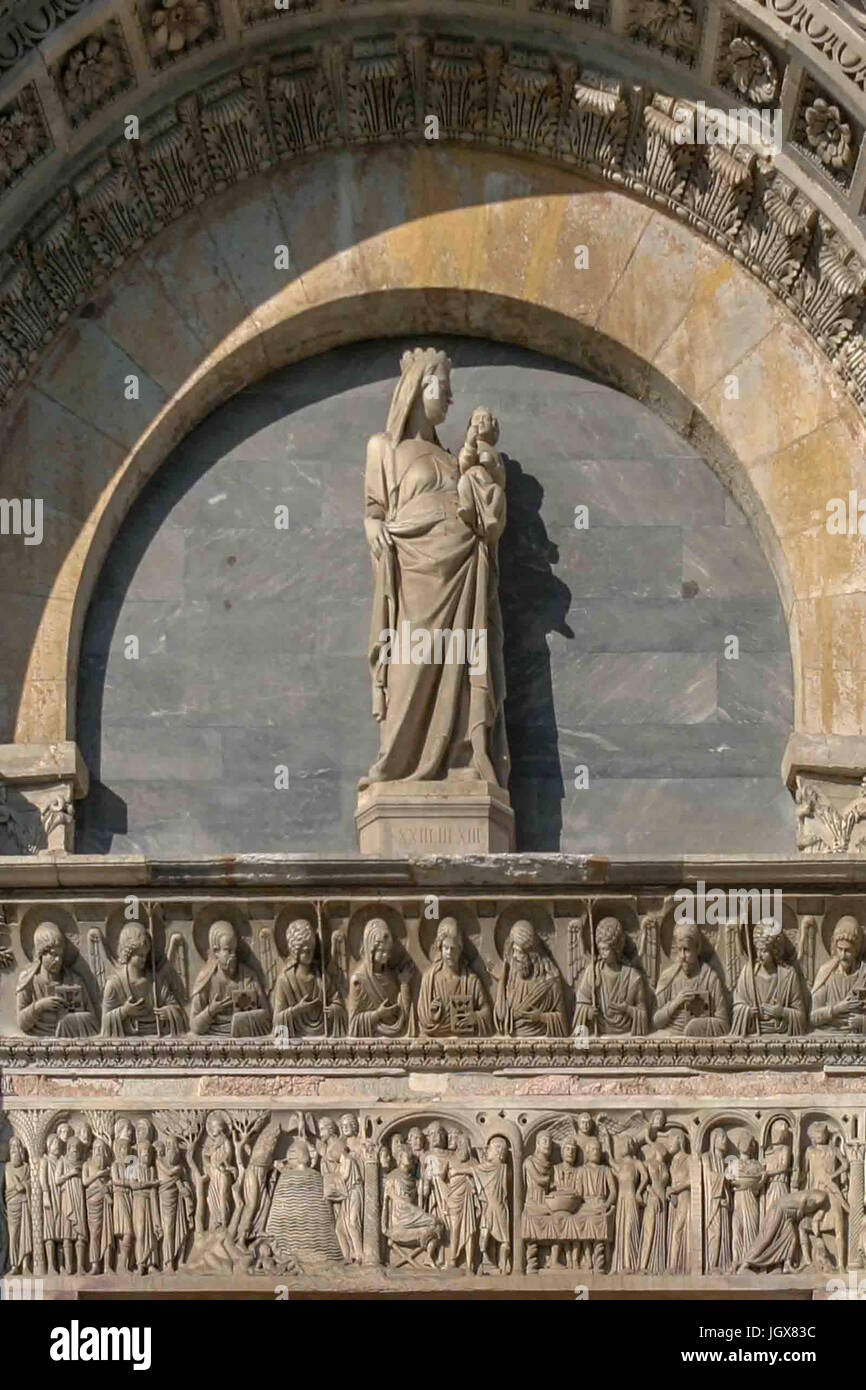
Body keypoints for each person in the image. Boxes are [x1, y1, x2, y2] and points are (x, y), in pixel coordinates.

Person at [360, 347, 508, 790]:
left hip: (464, 563)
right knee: (413, 657)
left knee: (461, 659)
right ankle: (398, 765)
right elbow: (374, 507)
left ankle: (463, 757)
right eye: (444, 387)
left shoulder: (450, 454)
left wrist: (483, 458)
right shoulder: (385, 447)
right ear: (420, 385)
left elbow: (480, 507)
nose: (450, 398)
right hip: (416, 569)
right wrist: (371, 527)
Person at [101, 921, 186, 1036]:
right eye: (140, 955)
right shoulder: (114, 984)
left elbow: (176, 1007)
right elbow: (105, 1021)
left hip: (159, 1033)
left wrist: (169, 1012)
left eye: (146, 955)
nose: (144, 959)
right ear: (128, 953)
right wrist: (124, 1011)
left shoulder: (156, 981)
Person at [191, 921, 270, 1038]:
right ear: (216, 951)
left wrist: (242, 1017)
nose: (233, 955)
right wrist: (210, 1011)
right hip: (214, 1038)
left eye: (235, 950)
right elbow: (194, 1026)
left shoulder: (248, 976)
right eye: (228, 950)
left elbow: (266, 1015)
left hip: (245, 1036)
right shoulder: (206, 979)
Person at [17, 922, 97, 1037]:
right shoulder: (28, 980)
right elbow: (21, 1022)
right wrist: (39, 1006)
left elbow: (93, 1021)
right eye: (53, 954)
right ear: (41, 954)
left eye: (60, 955)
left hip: (72, 1043)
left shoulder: (75, 980)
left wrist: (69, 1020)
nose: (58, 960)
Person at [573, 917, 648, 1036]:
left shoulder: (633, 976)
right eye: (600, 949)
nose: (602, 953)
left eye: (606, 949)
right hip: (600, 1031)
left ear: (616, 949)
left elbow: (643, 1014)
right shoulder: (593, 972)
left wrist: (627, 1009)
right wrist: (588, 1012)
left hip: (626, 1034)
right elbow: (581, 1003)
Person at [272, 918, 346, 1037]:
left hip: (324, 1032)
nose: (311, 954)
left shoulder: (321, 976)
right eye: (306, 951)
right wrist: (297, 1010)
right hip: (296, 1041)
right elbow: (277, 1020)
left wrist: (333, 1009)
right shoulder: (285, 981)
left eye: (312, 949)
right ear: (296, 951)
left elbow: (338, 1002)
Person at [418, 918, 492, 1037]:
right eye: (445, 948)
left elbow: (487, 1012)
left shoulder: (471, 980)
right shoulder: (429, 979)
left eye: (453, 948)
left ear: (460, 948)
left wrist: (474, 1018)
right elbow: (424, 1018)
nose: (449, 953)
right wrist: (432, 1012)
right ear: (440, 948)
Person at [653, 923, 729, 1036]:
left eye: (687, 950)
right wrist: (676, 1002)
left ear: (697, 948)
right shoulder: (668, 978)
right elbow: (656, 1022)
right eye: (679, 950)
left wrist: (696, 1026)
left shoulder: (710, 979)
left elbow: (723, 1025)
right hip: (669, 1038)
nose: (682, 956)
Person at [494, 920, 567, 1037]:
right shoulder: (513, 974)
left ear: (533, 955)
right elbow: (501, 1016)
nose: (514, 956)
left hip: (542, 1042)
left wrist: (541, 1017)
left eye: (519, 952)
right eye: (514, 950)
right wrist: (501, 980)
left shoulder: (551, 981)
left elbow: (562, 1021)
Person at [731, 921, 806, 1036]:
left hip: (780, 1034)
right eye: (758, 949)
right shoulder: (748, 973)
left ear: (775, 951)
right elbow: (737, 1006)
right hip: (754, 1031)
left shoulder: (788, 976)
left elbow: (800, 1015)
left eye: (764, 951)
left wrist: (783, 1012)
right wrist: (747, 1012)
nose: (760, 955)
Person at [348, 918, 414, 1037]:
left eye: (388, 951)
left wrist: (404, 984)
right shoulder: (359, 981)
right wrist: (378, 1014)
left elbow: (404, 1015)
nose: (386, 956)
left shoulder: (391, 976)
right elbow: (353, 1024)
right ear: (370, 950)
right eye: (381, 951)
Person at [382, 1148, 443, 1268]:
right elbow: (392, 1200)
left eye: (411, 1156)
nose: (410, 1157)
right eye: (407, 1155)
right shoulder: (392, 1177)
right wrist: (385, 1227)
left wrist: (425, 1183)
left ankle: (429, 1257)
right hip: (401, 1217)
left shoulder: (414, 1180)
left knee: (438, 1225)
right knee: (435, 1222)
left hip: (412, 1215)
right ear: (399, 1158)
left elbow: (422, 1198)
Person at [811, 916, 866, 1034]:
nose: (842, 955)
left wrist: (863, 1021)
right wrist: (836, 1009)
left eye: (848, 950)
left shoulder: (864, 974)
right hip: (827, 1037)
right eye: (840, 949)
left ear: (856, 950)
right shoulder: (826, 973)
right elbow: (812, 1017)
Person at [573, 1137, 617, 1273]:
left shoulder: (605, 1170)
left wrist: (607, 1204)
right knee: (579, 1221)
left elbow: (613, 1192)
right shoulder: (581, 1170)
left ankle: (599, 1262)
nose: (595, 1152)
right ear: (586, 1152)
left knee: (599, 1222)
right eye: (592, 1149)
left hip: (600, 1204)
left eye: (597, 1149)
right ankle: (586, 1258)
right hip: (586, 1205)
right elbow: (578, 1193)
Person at [476, 1135, 511, 1275]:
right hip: (499, 1207)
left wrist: (457, 1171)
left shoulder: (495, 1167)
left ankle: (492, 1262)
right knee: (502, 1238)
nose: (486, 1152)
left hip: (493, 1207)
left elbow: (476, 1169)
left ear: (498, 1151)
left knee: (487, 1233)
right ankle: (498, 1264)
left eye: (489, 1149)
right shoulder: (502, 1168)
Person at [613, 1135, 648, 1273]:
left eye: (625, 1144)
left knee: (629, 1229)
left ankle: (631, 1264)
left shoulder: (636, 1162)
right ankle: (622, 1264)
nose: (622, 1147)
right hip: (621, 1198)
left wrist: (639, 1191)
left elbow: (645, 1176)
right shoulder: (620, 1164)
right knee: (620, 1229)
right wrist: (605, 1137)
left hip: (630, 1196)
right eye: (621, 1144)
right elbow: (610, 1160)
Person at [82, 1136, 114, 1274]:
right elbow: (85, 1182)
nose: (98, 1151)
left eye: (101, 1149)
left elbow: (114, 1182)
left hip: (106, 1202)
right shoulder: (87, 1165)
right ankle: (95, 1264)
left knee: (108, 1233)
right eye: (96, 1148)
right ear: (92, 1150)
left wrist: (108, 1186)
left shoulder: (109, 1165)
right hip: (92, 1201)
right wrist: (98, 1175)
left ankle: (107, 1266)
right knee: (95, 1233)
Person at [702, 1128, 732, 1273]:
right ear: (714, 1139)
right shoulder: (706, 1157)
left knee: (725, 1234)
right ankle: (711, 1264)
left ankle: (723, 1264)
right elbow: (708, 1175)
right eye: (722, 1137)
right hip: (712, 1202)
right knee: (715, 1233)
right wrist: (723, 1177)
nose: (725, 1140)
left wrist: (726, 1197)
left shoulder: (725, 1161)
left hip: (723, 1203)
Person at [4, 1136, 33, 1275]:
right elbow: (9, 1187)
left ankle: (26, 1265)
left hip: (25, 1204)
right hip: (12, 1206)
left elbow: (29, 1185)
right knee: (13, 1235)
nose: (14, 1150)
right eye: (12, 1147)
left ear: (21, 1150)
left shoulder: (27, 1167)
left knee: (26, 1234)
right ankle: (15, 1265)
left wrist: (25, 1185)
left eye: (17, 1147)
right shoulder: (7, 1167)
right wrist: (17, 1186)